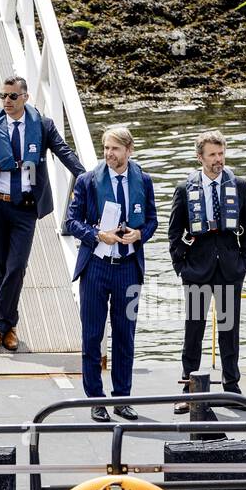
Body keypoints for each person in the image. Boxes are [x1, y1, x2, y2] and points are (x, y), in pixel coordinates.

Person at [0, 75, 86, 351]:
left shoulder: (42, 126)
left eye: (12, 96)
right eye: (2, 96)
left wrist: (86, 176)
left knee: (16, 267)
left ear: (25, 97)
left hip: (26, 208)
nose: (6, 101)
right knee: (0, 267)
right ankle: (9, 327)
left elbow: (63, 151)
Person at [65, 125, 158, 422]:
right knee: (92, 336)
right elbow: (71, 221)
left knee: (125, 336)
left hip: (128, 268)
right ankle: (95, 399)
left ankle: (122, 398)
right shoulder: (88, 180)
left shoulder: (142, 179)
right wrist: (96, 234)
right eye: (106, 148)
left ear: (129, 151)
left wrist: (139, 234)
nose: (109, 154)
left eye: (115, 149)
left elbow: (154, 220)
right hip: (95, 267)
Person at [168, 130, 246, 412]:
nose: (218, 160)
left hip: (231, 270)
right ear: (200, 157)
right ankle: (189, 387)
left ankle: (231, 385)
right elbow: (173, 232)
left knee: (229, 330)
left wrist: (245, 264)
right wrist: (181, 267)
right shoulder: (185, 189)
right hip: (197, 270)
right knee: (193, 331)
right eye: (212, 155)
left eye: (221, 154)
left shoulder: (238, 185)